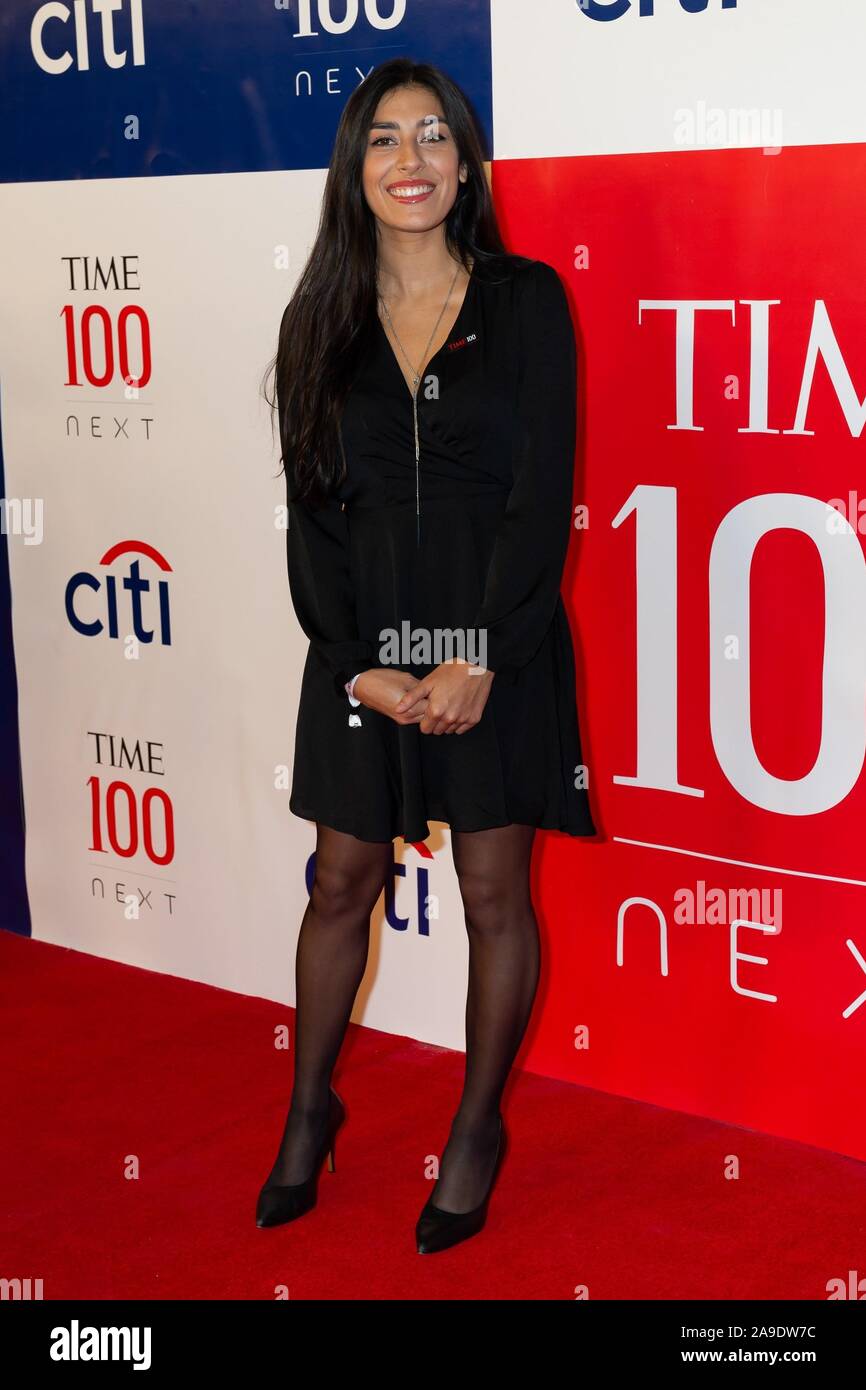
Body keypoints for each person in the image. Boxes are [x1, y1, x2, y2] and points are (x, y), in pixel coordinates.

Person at [258, 57, 596, 1254]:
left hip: (493, 638)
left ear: (466, 162)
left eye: (432, 136)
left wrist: (483, 655)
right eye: (383, 139)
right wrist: (351, 659)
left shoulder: (526, 301)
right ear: (353, 168)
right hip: (363, 649)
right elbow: (310, 511)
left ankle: (474, 1126)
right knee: (339, 882)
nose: (410, 160)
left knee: (493, 893)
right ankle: (310, 1108)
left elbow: (539, 498)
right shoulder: (319, 317)